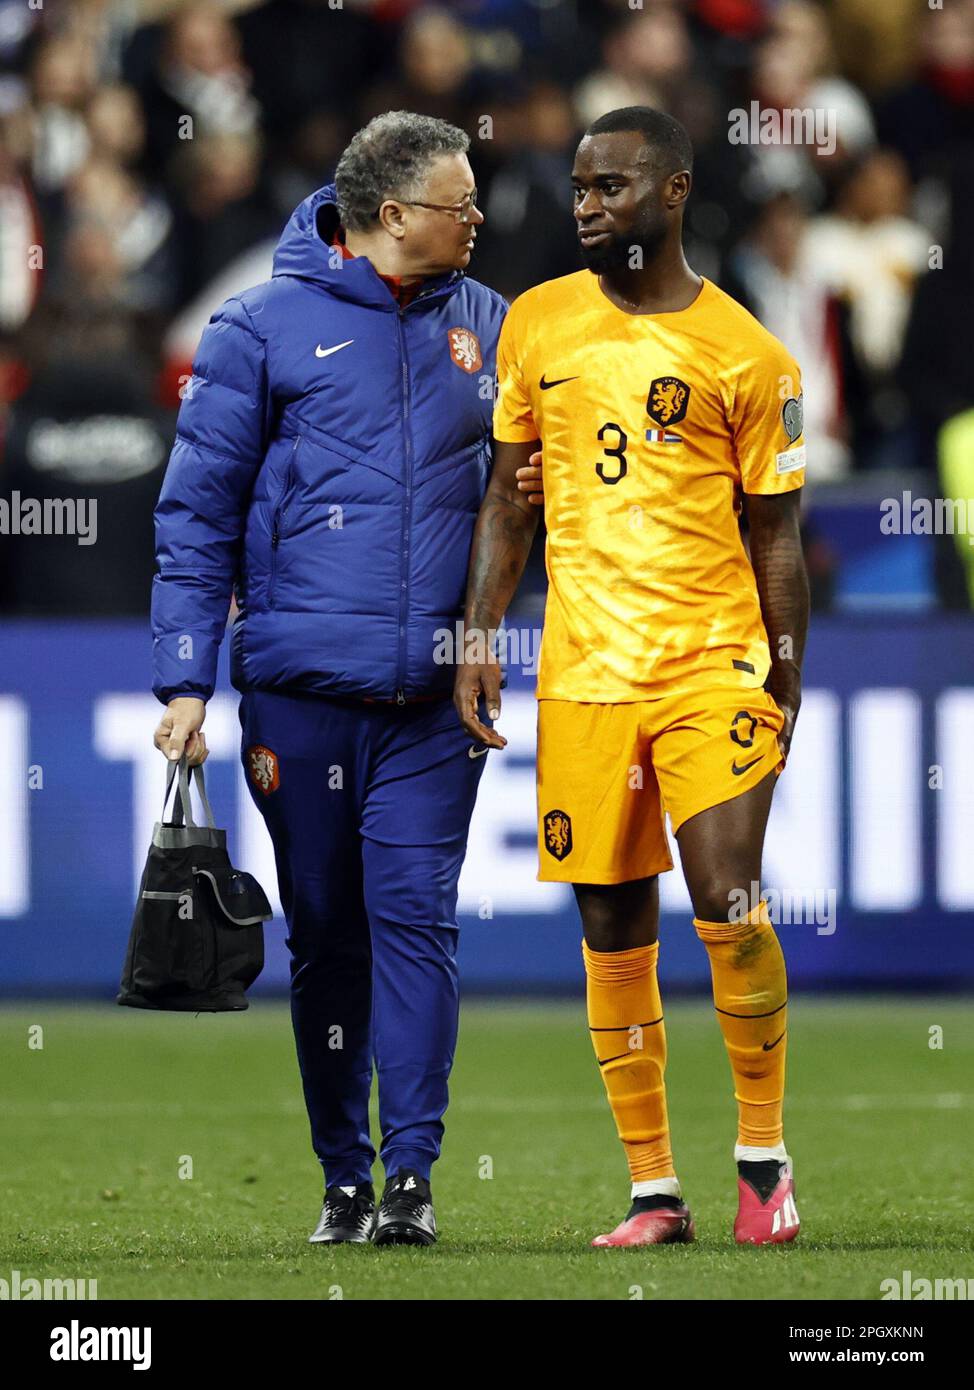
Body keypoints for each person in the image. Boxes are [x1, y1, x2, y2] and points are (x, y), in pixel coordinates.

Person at [150, 111, 541, 1247]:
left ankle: (410, 1175)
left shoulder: (494, 329)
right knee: (326, 932)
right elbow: (196, 512)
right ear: (387, 217)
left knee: (415, 919)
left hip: (432, 701)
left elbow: (526, 499)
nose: (475, 221)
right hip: (298, 695)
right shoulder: (255, 328)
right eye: (456, 205)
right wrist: (185, 679)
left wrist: (486, 634)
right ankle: (342, 1176)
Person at [455, 106, 810, 1248]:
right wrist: (476, 634)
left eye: (608, 184)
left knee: (727, 899)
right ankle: (655, 1192)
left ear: (672, 193)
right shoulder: (537, 324)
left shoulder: (748, 353)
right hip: (583, 674)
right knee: (611, 934)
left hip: (712, 664)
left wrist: (784, 676)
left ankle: (762, 1163)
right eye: (576, 185)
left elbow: (777, 535)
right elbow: (507, 496)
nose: (586, 202)